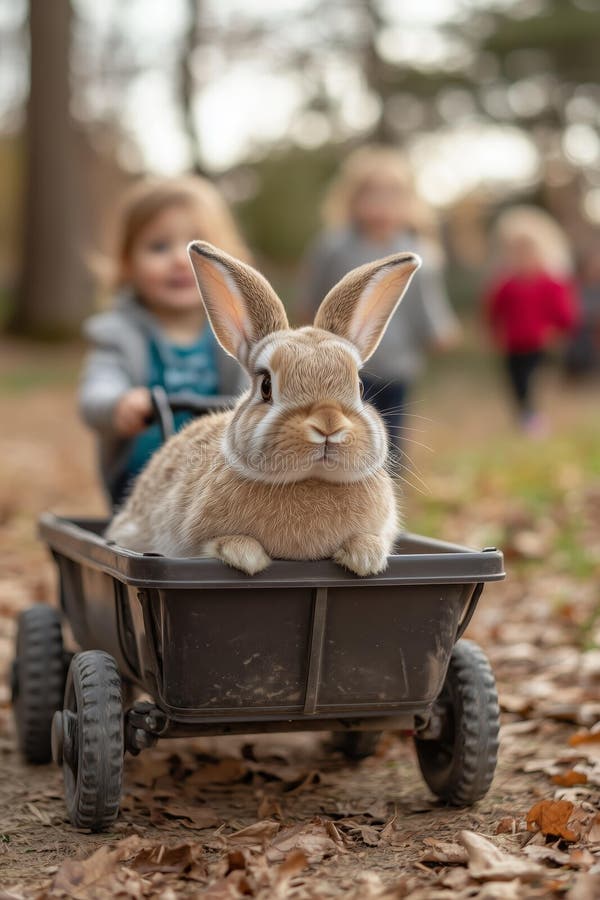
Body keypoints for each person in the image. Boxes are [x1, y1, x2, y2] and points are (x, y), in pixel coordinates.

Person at [79, 176, 250, 507]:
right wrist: (118, 404)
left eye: (196, 248)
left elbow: (259, 386)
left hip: (223, 482)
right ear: (127, 264)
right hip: (142, 484)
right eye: (159, 246)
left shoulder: (240, 334)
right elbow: (96, 389)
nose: (179, 260)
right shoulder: (117, 333)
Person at [299, 145, 460, 472]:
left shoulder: (417, 253)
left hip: (398, 365)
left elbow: (425, 304)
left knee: (390, 438)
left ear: (410, 204)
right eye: (372, 195)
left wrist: (439, 331)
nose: (383, 205)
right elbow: (312, 296)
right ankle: (342, 496)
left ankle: (385, 501)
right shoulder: (334, 247)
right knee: (346, 437)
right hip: (344, 365)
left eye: (394, 196)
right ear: (352, 200)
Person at [484, 206, 579, 434]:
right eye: (516, 250)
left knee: (534, 380)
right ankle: (525, 416)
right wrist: (493, 333)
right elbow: (494, 312)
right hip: (513, 343)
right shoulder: (506, 285)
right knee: (516, 382)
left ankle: (536, 419)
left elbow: (564, 312)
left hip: (540, 343)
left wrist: (560, 331)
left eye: (528, 249)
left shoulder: (551, 282)